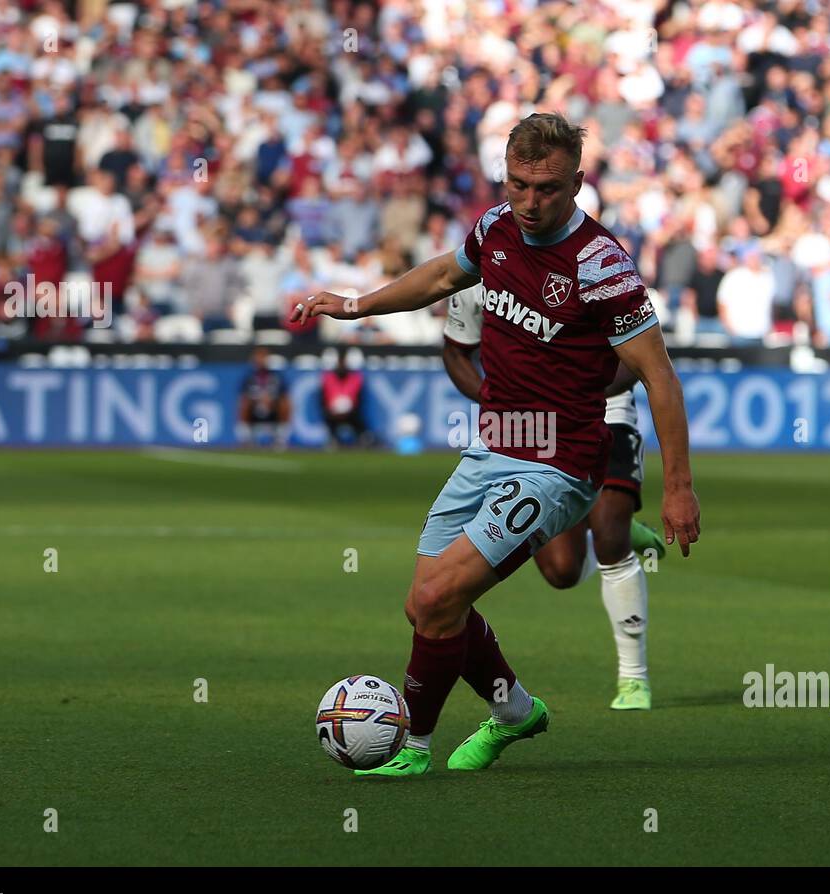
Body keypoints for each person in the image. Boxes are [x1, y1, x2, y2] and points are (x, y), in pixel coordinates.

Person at [292, 113, 700, 777]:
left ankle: (412, 746)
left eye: (548, 188)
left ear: (578, 182)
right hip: (491, 448)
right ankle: (515, 712)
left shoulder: (603, 266)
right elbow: (440, 279)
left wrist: (679, 487)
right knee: (424, 603)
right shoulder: (495, 228)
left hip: (559, 464)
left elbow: (661, 377)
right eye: (519, 185)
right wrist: (355, 304)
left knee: (437, 601)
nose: (532, 201)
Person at [442, 282, 667, 711]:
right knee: (561, 571)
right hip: (527, 423)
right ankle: (601, 530)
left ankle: (633, 678)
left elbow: (640, 357)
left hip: (603, 411)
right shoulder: (476, 272)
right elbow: (456, 352)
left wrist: (578, 395)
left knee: (610, 536)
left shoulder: (592, 267)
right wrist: (494, 400)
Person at [236, 347, 290, 449]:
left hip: (273, 408)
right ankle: (245, 438)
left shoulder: (276, 376)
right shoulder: (249, 377)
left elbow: (283, 395)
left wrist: (270, 400)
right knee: (244, 404)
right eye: (258, 357)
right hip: (254, 408)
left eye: (263, 357)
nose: (260, 360)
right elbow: (244, 396)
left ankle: (281, 437)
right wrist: (259, 399)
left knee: (285, 403)